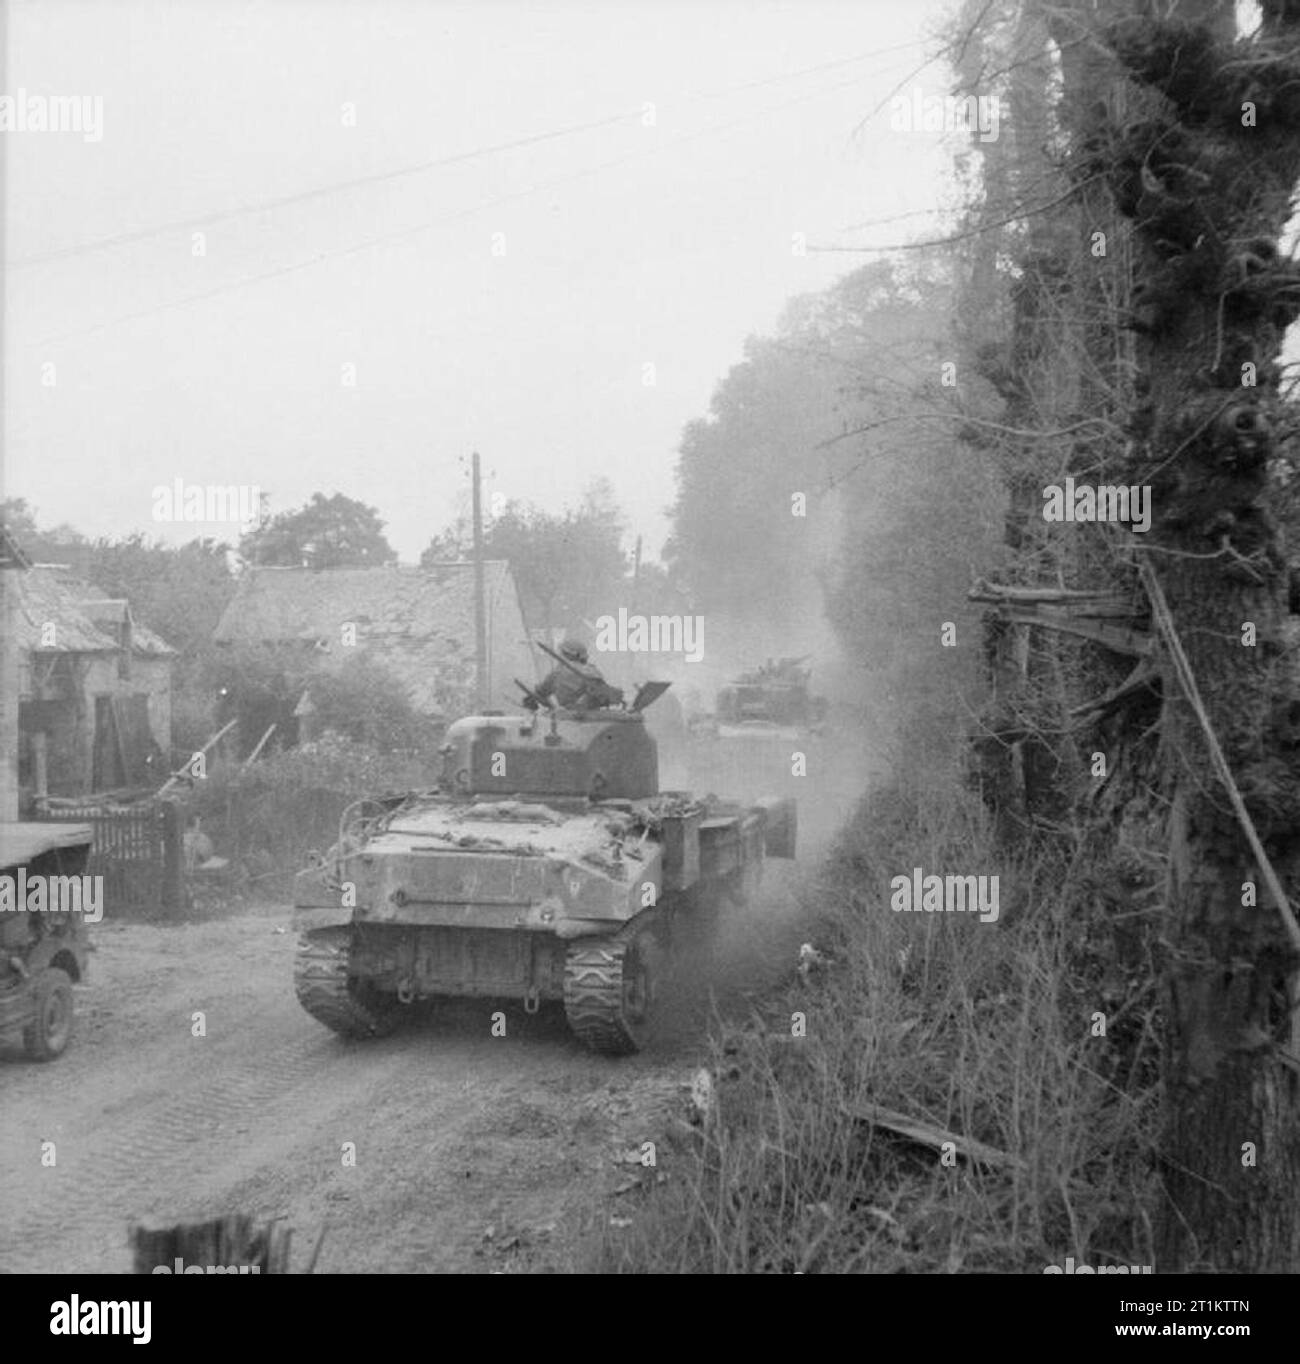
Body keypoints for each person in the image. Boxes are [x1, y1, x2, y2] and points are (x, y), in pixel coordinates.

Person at [527, 637, 623, 711]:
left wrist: (530, 700)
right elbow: (604, 693)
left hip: (570, 717)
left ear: (565, 654)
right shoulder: (593, 670)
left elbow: (541, 692)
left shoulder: (558, 672)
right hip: (594, 714)